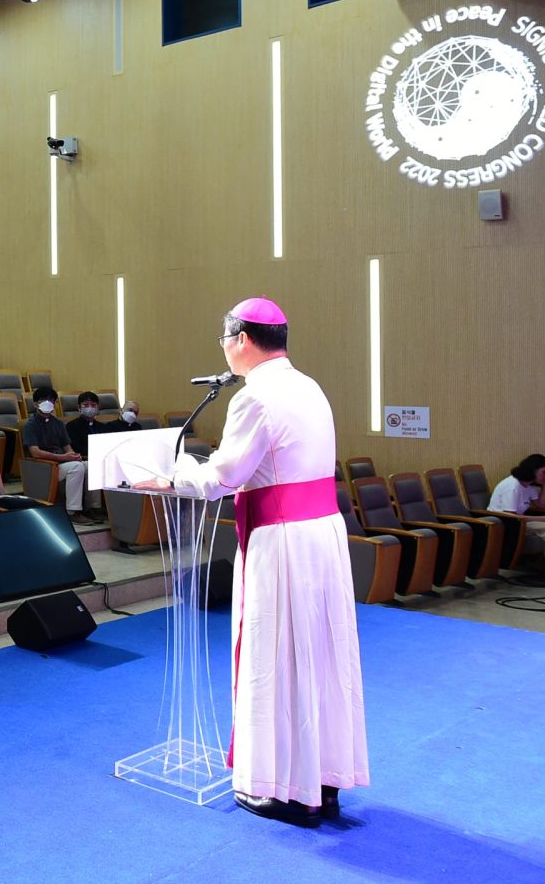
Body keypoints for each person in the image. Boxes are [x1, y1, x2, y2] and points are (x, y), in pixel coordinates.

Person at [136, 297, 368, 826]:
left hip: (282, 542)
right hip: (321, 536)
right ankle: (323, 781)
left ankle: (284, 790)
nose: (222, 348)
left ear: (241, 339)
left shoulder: (255, 397)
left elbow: (224, 477)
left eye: (224, 338)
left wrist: (167, 479)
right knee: (320, 657)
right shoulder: (309, 386)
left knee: (277, 656)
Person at [21, 384, 97, 526]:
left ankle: (90, 507)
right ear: (36, 403)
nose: (48, 403)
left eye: (52, 400)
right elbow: (35, 452)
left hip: (61, 463)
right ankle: (72, 511)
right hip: (44, 466)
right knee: (76, 467)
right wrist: (64, 458)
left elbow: (67, 448)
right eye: (44, 400)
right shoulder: (30, 425)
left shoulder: (58, 424)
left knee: (90, 465)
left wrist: (73, 456)